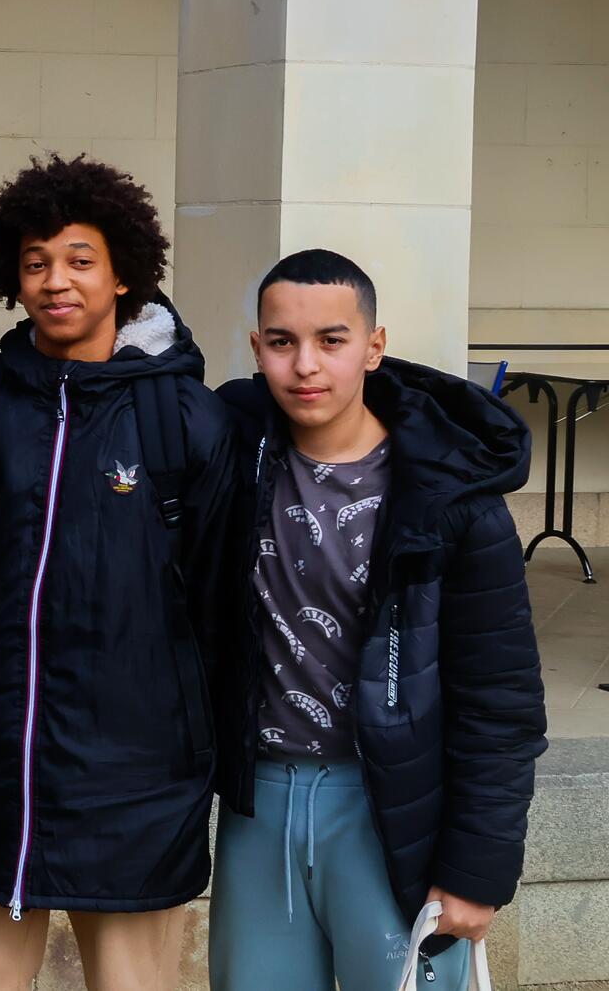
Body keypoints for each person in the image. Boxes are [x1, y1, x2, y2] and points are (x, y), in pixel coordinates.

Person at [0, 154, 237, 991]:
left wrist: (200, 744)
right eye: (36, 262)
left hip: (137, 781)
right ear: (12, 278)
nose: (57, 280)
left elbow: (218, 598)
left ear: (123, 270)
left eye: (79, 259)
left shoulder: (186, 419)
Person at [205, 250, 544, 990]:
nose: (306, 365)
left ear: (374, 345)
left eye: (332, 339)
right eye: (282, 341)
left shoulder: (451, 499)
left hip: (393, 811)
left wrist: (476, 869)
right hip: (258, 800)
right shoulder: (230, 451)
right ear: (257, 346)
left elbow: (502, 700)